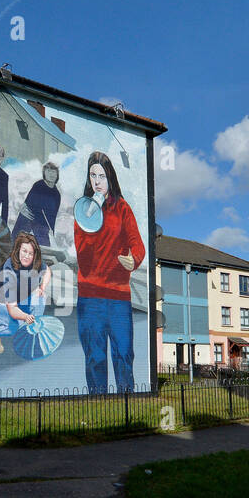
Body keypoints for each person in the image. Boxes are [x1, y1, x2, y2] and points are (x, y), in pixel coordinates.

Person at [73, 152, 144, 393]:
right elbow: (82, 256)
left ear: (110, 177)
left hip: (118, 297)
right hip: (90, 296)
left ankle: (126, 406)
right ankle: (98, 408)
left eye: (102, 175)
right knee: (95, 357)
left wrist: (132, 260)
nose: (97, 181)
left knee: (124, 353)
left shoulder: (122, 208)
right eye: (92, 175)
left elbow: (138, 245)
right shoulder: (83, 210)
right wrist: (92, 216)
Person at [0, 232, 51, 355]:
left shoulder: (35, 263)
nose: (27, 256)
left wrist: (41, 287)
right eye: (24, 251)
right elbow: (12, 309)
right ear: (18, 250)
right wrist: (26, 317)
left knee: (40, 296)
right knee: (14, 327)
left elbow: (47, 271)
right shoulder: (9, 268)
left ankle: (32, 333)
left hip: (20, 302)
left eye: (30, 253)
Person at [11, 162, 61, 246]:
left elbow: (53, 216)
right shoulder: (38, 185)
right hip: (28, 217)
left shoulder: (57, 195)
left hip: (41, 223)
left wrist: (52, 230)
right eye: (48, 171)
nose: (51, 174)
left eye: (53, 172)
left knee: (44, 246)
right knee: (16, 241)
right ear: (44, 173)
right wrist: (23, 210)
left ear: (57, 175)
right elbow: (28, 204)